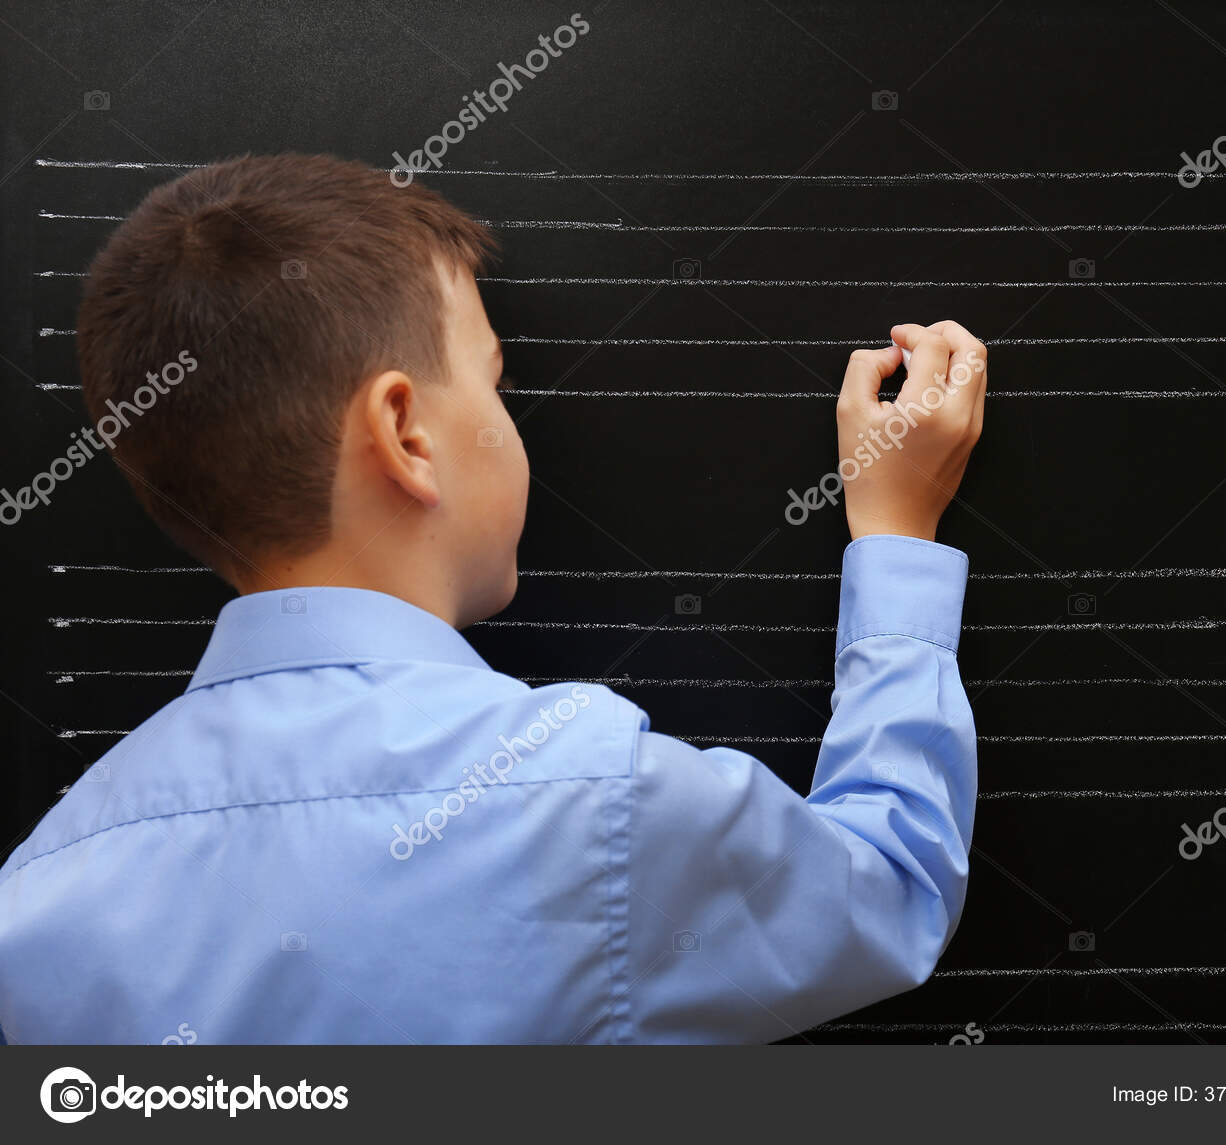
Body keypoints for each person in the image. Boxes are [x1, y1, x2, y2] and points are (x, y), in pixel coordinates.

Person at [0, 153, 986, 1043]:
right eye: (493, 382)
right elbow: (891, 892)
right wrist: (897, 532)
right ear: (407, 434)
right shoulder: (591, 798)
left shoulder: (34, 904)